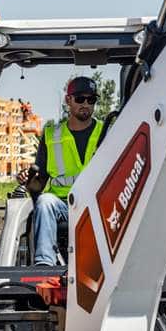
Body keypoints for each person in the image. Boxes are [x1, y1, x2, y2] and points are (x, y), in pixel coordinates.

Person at [16, 76, 104, 265]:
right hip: (62, 205)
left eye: (91, 100)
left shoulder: (108, 133)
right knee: (45, 201)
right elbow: (39, 184)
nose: (86, 104)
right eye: (80, 99)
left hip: (98, 203)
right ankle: (44, 264)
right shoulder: (51, 135)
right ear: (68, 100)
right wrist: (28, 180)